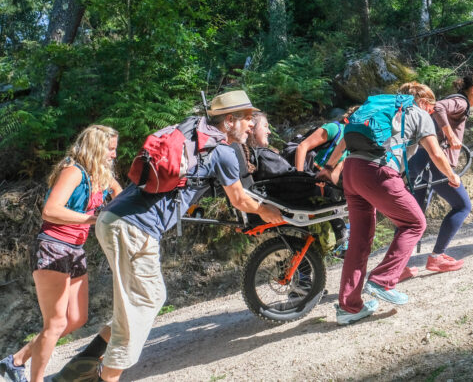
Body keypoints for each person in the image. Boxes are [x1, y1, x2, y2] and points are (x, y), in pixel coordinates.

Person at [94, 91, 283, 382]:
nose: (250, 124)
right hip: (134, 226)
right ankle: (105, 376)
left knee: (136, 302)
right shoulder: (222, 151)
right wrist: (268, 211)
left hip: (116, 218)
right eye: (246, 118)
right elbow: (240, 200)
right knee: (145, 302)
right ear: (229, 120)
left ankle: (83, 363)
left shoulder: (194, 132)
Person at [317, 82, 460, 325]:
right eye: (431, 106)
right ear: (423, 102)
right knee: (415, 223)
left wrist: (330, 167)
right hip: (377, 172)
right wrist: (451, 175)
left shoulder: (377, 110)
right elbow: (436, 153)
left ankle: (348, 307)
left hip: (351, 172)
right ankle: (383, 279)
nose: (432, 111)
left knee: (359, 241)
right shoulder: (418, 114)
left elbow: (343, 142)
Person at [0, 126, 121, 382]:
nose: (114, 154)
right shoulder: (73, 171)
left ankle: (16, 360)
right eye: (110, 149)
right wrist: (93, 218)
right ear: (96, 148)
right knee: (55, 323)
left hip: (75, 250)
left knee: (77, 318)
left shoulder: (99, 175)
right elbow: (50, 211)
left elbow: (121, 195)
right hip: (53, 247)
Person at [404, 72, 473, 278]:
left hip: (420, 163)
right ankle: (437, 256)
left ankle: (399, 266)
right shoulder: (461, 102)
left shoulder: (457, 102)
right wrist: (450, 134)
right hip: (435, 166)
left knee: (416, 215)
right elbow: (438, 107)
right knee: (463, 205)